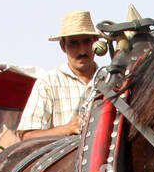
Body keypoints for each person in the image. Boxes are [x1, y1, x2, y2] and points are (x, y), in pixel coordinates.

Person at [18, 10, 103, 140]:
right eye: (74, 43)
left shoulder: (109, 80)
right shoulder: (49, 82)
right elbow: (28, 136)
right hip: (63, 158)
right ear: (63, 46)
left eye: (86, 42)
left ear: (95, 42)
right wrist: (68, 129)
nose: (82, 50)